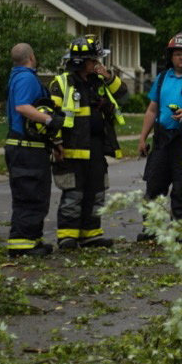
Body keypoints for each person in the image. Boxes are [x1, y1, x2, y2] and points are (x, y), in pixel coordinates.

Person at [49, 35, 128, 250]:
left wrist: (108, 76)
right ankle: (67, 236)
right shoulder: (62, 83)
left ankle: (90, 234)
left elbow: (123, 94)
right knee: (74, 194)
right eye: (94, 60)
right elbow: (51, 115)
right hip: (71, 149)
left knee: (96, 192)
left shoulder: (99, 81)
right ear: (82, 62)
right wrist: (56, 142)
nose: (98, 64)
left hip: (95, 147)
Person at [136, 33, 182, 241]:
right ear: (171, 57)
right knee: (154, 184)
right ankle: (151, 228)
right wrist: (142, 138)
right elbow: (152, 110)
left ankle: (180, 230)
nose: (180, 58)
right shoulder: (162, 78)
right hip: (162, 138)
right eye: (177, 54)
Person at [4, 43, 60, 258]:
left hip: (27, 147)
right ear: (31, 57)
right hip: (26, 149)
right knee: (30, 195)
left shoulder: (17, 76)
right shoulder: (26, 78)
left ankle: (32, 240)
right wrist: (50, 120)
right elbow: (22, 107)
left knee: (33, 195)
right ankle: (23, 246)